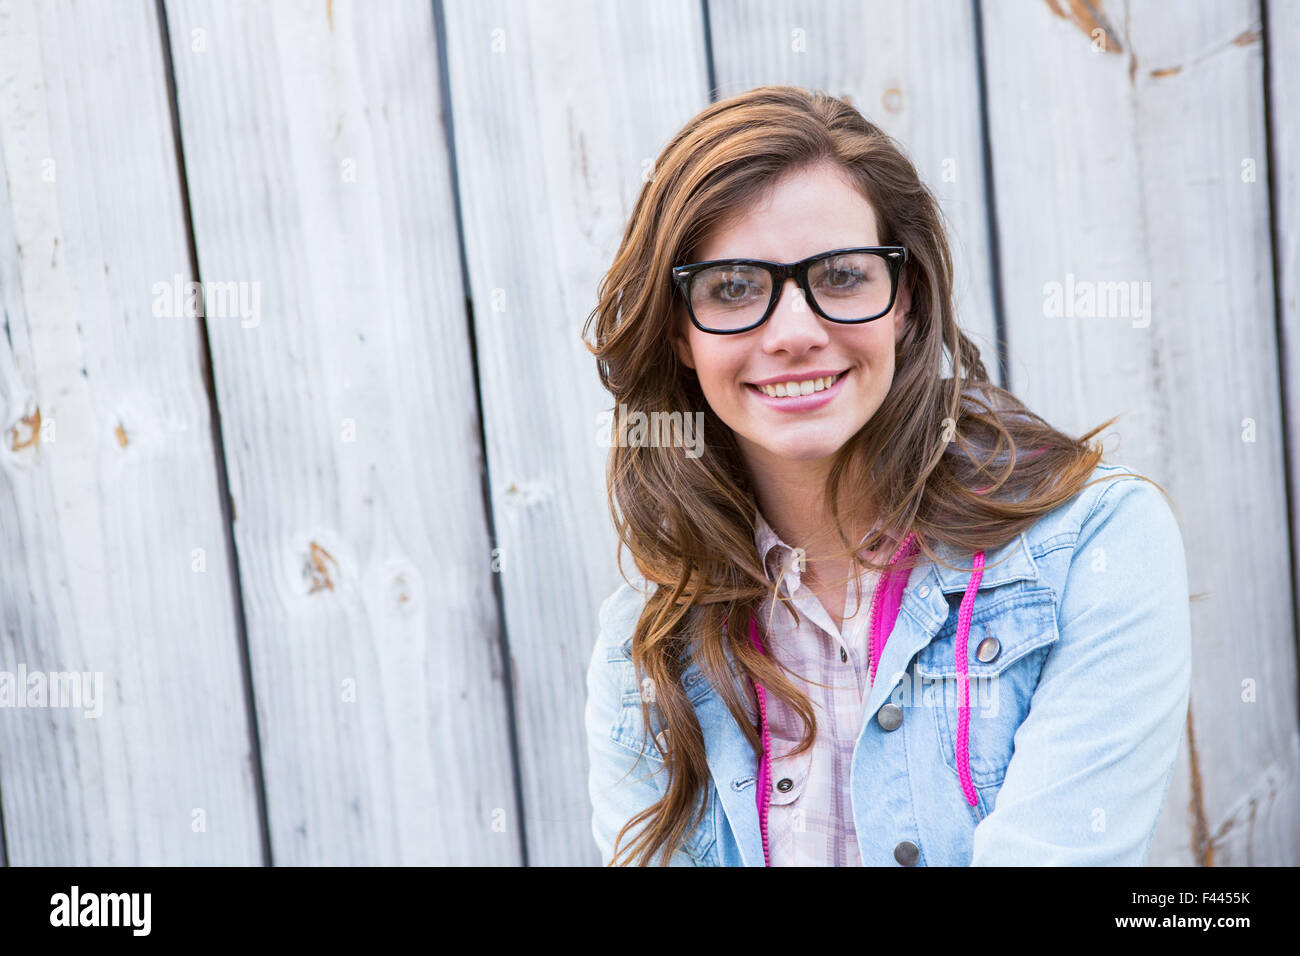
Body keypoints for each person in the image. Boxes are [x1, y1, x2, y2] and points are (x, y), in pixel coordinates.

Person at [581, 85, 1190, 866]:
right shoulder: (642, 647)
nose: (794, 333)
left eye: (841, 276)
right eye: (733, 287)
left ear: (903, 299)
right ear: (677, 329)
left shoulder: (1096, 545)